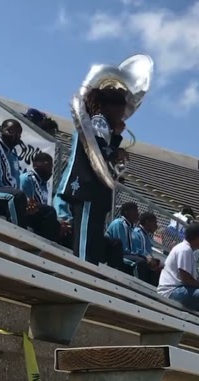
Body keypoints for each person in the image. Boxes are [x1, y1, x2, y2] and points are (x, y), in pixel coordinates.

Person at [54, 88, 129, 265]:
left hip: (94, 189)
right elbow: (98, 150)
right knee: (86, 241)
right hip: (88, 187)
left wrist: (116, 137)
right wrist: (117, 149)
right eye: (120, 110)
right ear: (108, 107)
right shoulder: (97, 121)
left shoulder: (101, 124)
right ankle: (81, 273)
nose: (122, 115)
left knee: (93, 240)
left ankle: (87, 272)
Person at [159, 222, 199, 323]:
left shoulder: (187, 250)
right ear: (198, 238)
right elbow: (186, 278)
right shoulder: (184, 249)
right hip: (172, 291)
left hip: (177, 290)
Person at [16, 151, 61, 243]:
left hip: (39, 216)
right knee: (50, 212)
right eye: (48, 165)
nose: (50, 170)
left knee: (63, 228)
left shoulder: (45, 185)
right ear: (36, 164)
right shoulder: (27, 178)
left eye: (51, 167)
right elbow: (26, 203)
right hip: (27, 213)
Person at [104, 202, 140, 274]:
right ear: (126, 212)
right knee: (140, 262)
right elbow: (121, 247)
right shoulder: (119, 224)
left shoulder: (129, 227)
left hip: (125, 254)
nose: (138, 214)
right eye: (135, 211)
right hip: (114, 255)